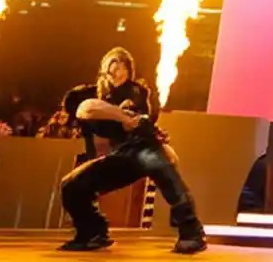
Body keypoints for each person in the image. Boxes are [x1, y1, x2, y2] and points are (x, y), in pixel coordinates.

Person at [57, 47, 205, 254]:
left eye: (123, 63)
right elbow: (86, 109)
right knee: (71, 185)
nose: (117, 66)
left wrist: (155, 137)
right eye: (113, 61)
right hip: (117, 158)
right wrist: (123, 117)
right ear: (104, 67)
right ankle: (93, 232)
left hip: (141, 149)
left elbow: (141, 121)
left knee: (163, 168)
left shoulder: (137, 91)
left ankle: (191, 231)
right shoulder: (88, 93)